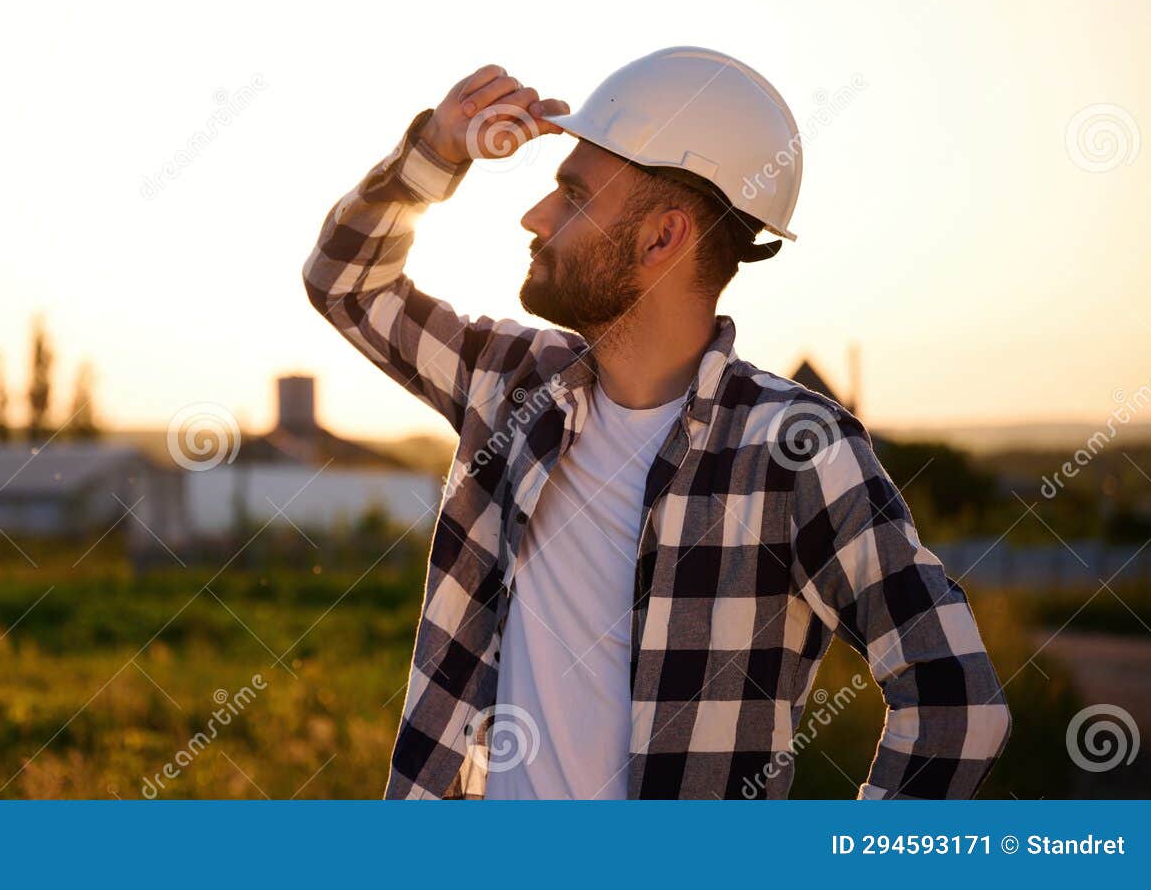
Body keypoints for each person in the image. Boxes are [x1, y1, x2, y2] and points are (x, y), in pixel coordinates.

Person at [301, 49, 1010, 799]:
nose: (534, 216)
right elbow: (345, 283)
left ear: (661, 239)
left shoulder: (794, 451)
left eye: (572, 196)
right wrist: (432, 156)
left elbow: (955, 705)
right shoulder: (511, 384)